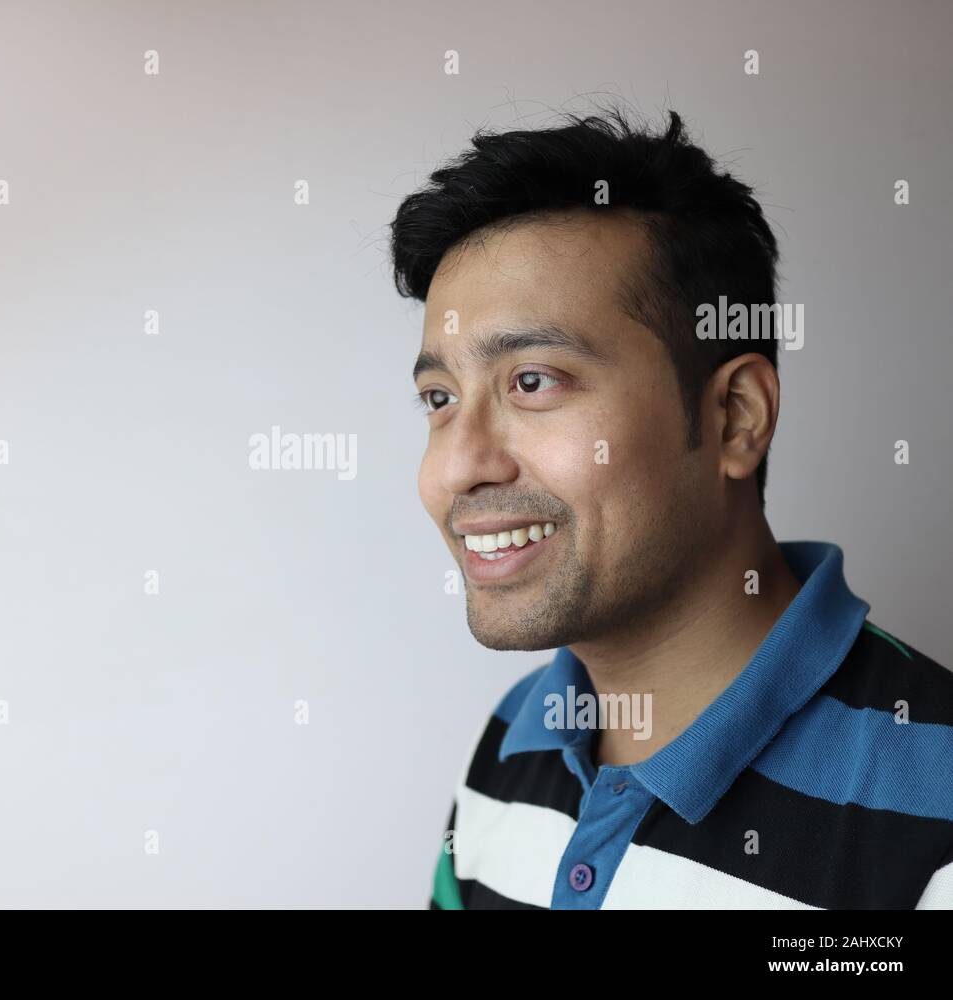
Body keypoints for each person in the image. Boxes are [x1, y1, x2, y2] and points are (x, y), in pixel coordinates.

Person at [389, 108, 953, 909]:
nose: (456, 466)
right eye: (440, 398)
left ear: (734, 418)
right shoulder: (513, 740)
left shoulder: (938, 809)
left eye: (533, 381)